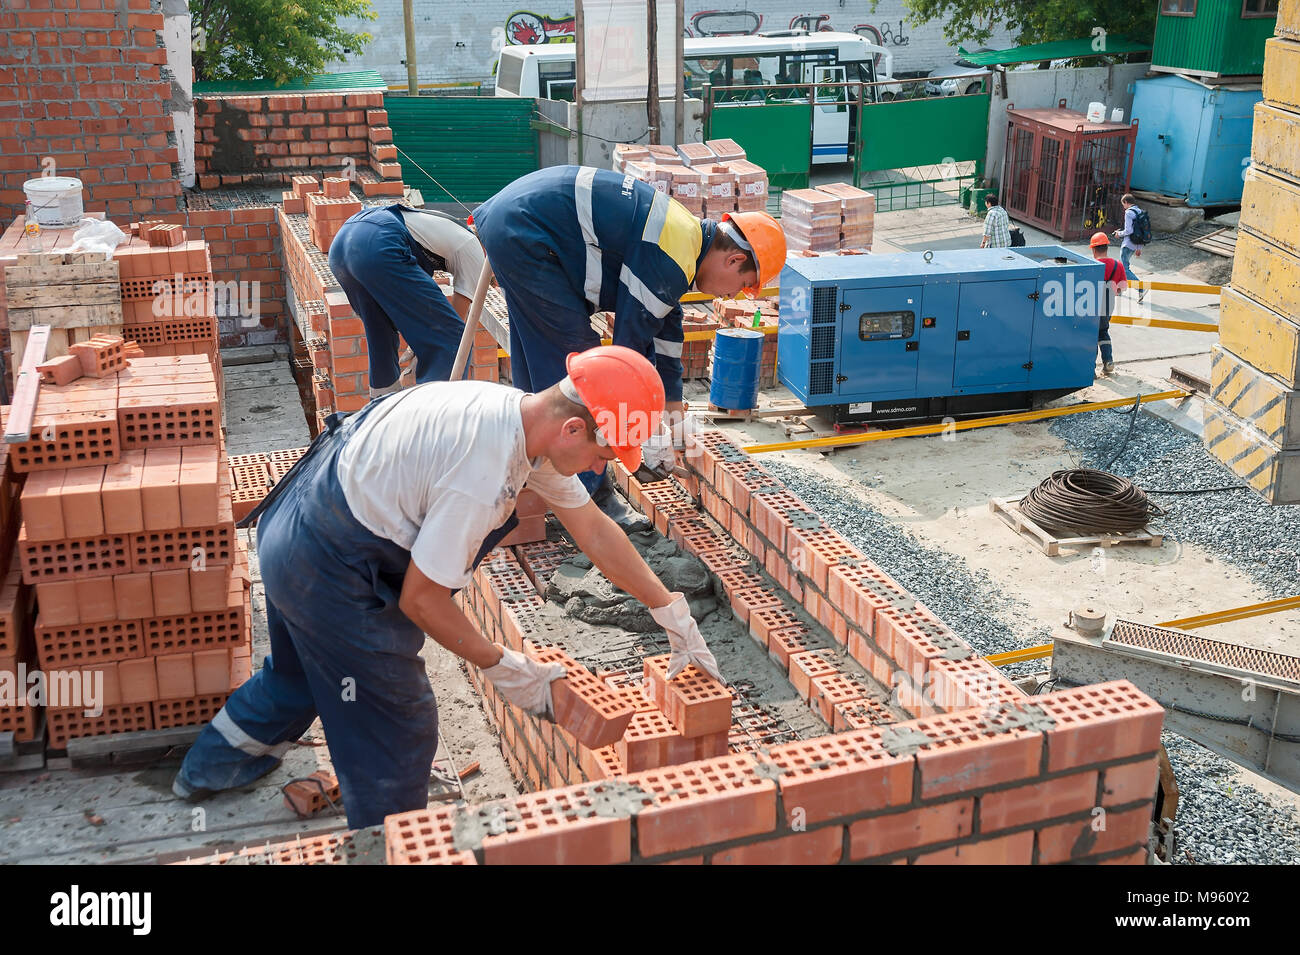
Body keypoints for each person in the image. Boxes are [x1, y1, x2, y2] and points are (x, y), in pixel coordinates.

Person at [171, 345, 722, 830]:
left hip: (298, 524)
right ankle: (393, 844)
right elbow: (421, 599)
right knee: (399, 722)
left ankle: (211, 768)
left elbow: (595, 531)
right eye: (605, 454)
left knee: (301, 676)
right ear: (574, 429)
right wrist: (506, 666)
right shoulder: (482, 472)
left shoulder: (522, 421)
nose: (601, 467)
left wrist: (669, 610)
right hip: (328, 566)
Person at [472, 164, 786, 529]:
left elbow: (666, 338)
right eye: (739, 285)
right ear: (733, 259)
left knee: (539, 363)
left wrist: (673, 418)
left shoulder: (684, 244)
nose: (729, 295)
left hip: (520, 225)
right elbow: (625, 355)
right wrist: (645, 432)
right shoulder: (673, 256)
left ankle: (531, 474)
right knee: (579, 367)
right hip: (527, 233)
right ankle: (594, 500)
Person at [327, 204, 486, 396]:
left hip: (344, 243)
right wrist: (422, 356)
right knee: (452, 339)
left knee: (381, 331)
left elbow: (423, 318)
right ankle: (433, 416)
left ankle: (383, 405)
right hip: (380, 243)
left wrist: (419, 343)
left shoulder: (447, 227)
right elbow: (454, 324)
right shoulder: (474, 248)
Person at [1089, 232, 1127, 376]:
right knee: (1103, 331)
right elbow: (1122, 288)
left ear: (1093, 249)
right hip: (1108, 302)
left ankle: (1090, 368)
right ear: (1107, 247)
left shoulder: (1091, 265)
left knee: (1091, 334)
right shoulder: (1118, 265)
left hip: (1090, 303)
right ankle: (1108, 361)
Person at [1112, 193, 1147, 303]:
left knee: (1124, 269)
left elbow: (1128, 231)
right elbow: (1142, 231)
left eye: (1123, 205)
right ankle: (1120, 289)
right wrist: (1139, 247)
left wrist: (1118, 234)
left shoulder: (1128, 213)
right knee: (1122, 267)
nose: (1123, 207)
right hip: (1135, 244)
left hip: (1128, 244)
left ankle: (1141, 288)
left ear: (1126, 203)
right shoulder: (1140, 212)